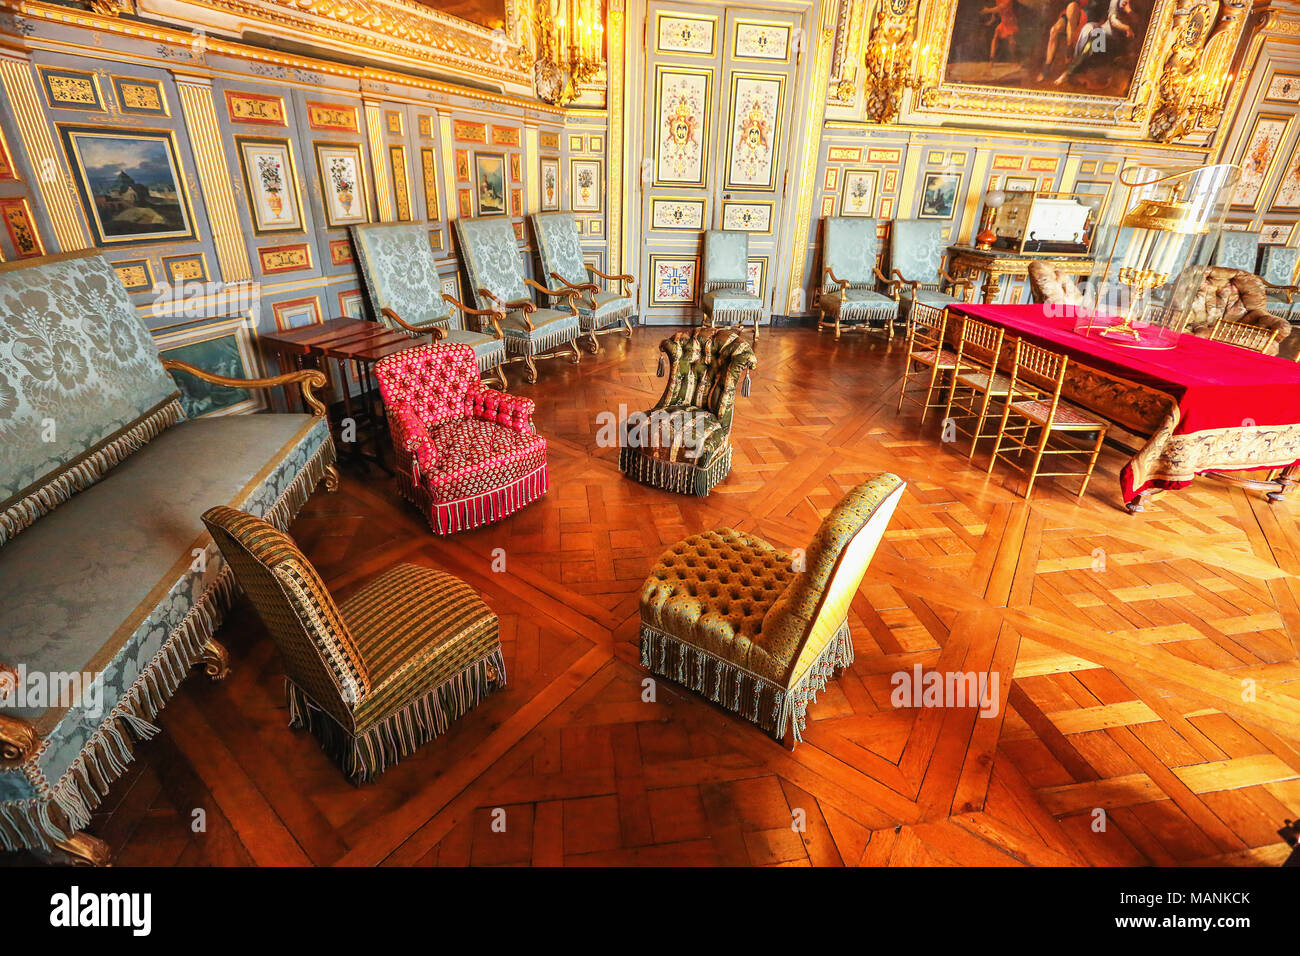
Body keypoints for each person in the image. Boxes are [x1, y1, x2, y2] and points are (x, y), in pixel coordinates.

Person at [981, 0, 1020, 65]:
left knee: (1011, 41)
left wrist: (988, 10)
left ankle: (1015, 59)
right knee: (995, 38)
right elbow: (997, 9)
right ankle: (991, 59)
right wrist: (991, 20)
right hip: (1003, 23)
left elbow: (1000, 8)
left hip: (1010, 23)